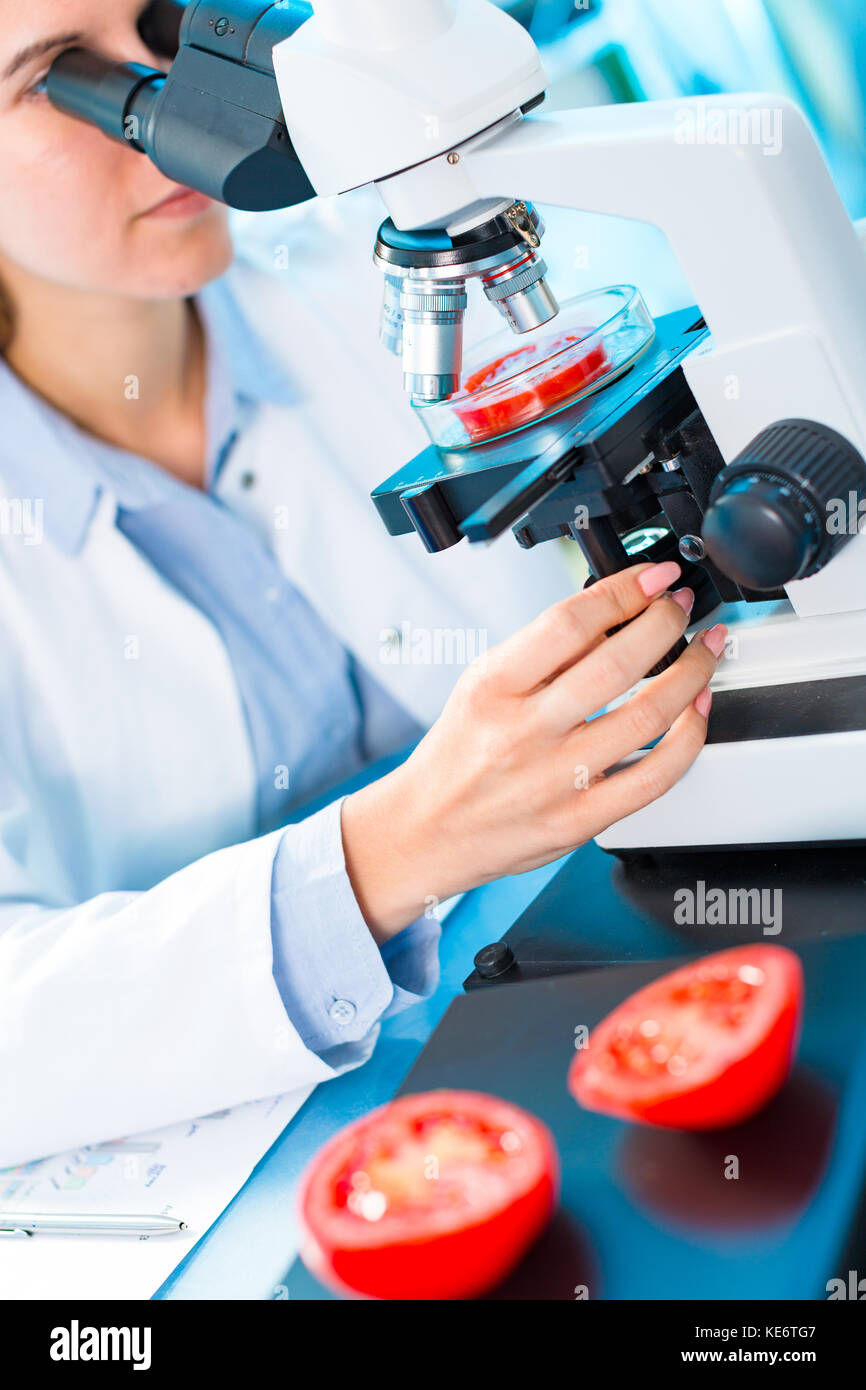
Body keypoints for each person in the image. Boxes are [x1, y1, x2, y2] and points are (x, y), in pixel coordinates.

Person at [0, 1, 725, 1166]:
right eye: (64, 77)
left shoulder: (368, 275)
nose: (180, 104)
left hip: (595, 980)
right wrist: (380, 857)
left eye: (166, 21)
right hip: (287, 1161)